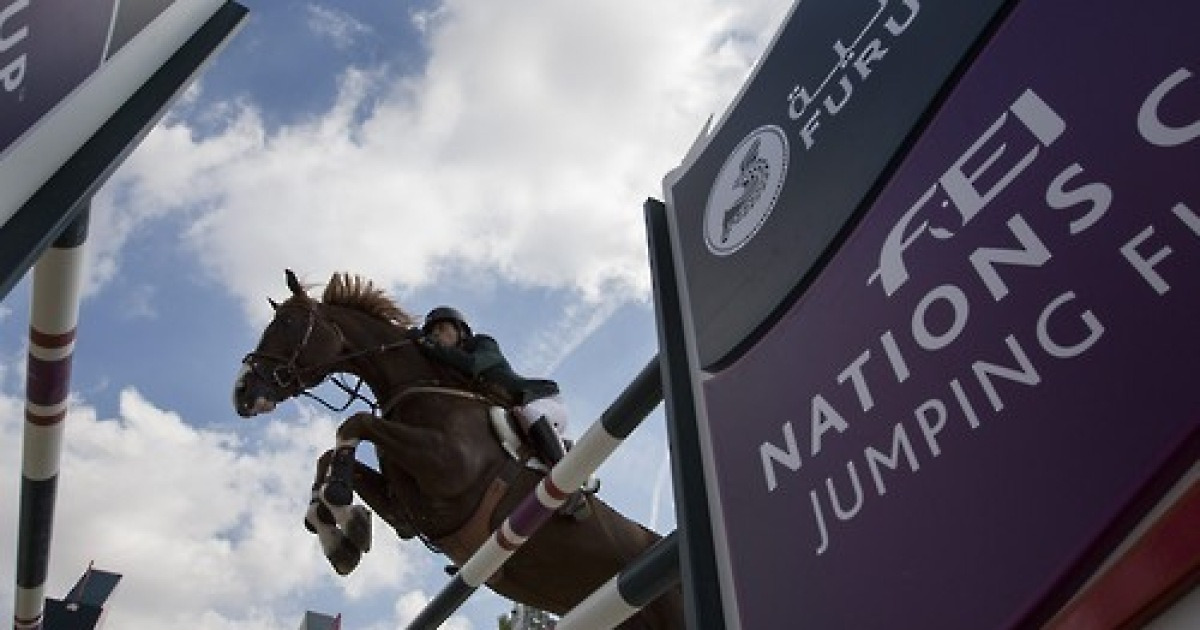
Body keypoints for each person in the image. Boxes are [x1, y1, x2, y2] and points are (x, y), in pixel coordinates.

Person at [417, 306, 590, 518]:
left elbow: (472, 365)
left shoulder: (483, 344)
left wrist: (425, 343)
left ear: (461, 331)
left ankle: (570, 487)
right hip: (514, 419)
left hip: (543, 400)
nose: (436, 335)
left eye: (442, 328)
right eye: (432, 333)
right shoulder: (450, 370)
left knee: (528, 413)